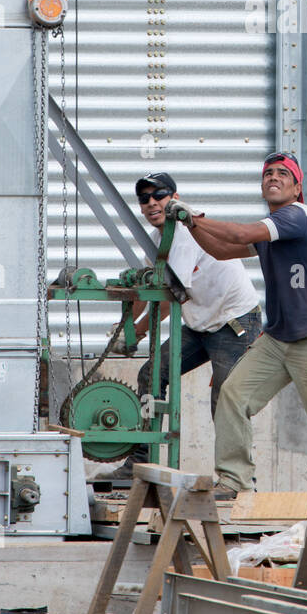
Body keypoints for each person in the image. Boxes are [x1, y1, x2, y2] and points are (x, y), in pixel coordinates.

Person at [165, 152, 307, 500]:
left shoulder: (298, 217)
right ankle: (234, 481)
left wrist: (194, 214)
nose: (273, 178)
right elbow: (221, 249)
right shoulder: (272, 228)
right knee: (232, 395)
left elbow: (238, 233)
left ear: (296, 187)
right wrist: (191, 225)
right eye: (268, 174)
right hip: (277, 339)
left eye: (282, 174)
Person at [110, 172, 262, 481]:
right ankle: (140, 461)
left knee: (227, 398)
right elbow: (149, 284)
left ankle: (236, 480)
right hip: (199, 324)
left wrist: (137, 332)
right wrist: (125, 327)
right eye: (144, 199)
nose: (152, 203)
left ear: (175, 198)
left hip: (234, 322)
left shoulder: (182, 232)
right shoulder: (159, 239)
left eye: (159, 195)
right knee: (151, 375)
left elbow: (170, 297)